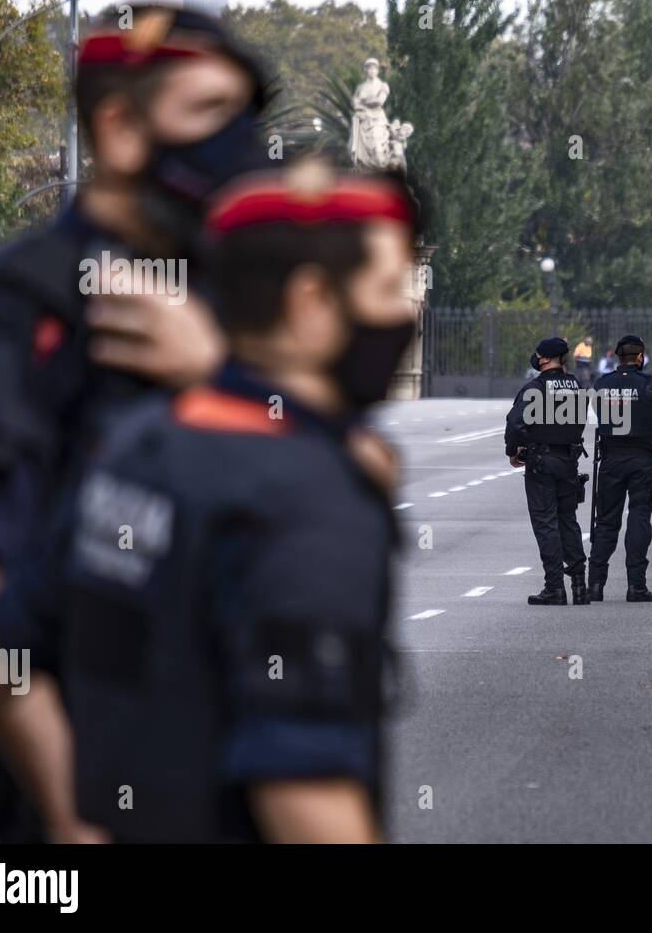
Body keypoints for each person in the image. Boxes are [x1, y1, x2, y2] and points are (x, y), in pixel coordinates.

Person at [0, 3, 270, 843]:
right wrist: (81, 819)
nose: (240, 148)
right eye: (207, 115)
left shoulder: (240, 304)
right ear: (116, 128)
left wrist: (214, 378)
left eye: (246, 119)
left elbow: (332, 478)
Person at [52, 164, 419, 842]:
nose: (403, 315)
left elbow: (17, 646)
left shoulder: (134, 446)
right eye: (390, 289)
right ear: (312, 302)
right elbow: (306, 795)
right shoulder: (303, 500)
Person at [587, 335, 652, 602]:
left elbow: (599, 413)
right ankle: (636, 585)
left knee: (605, 523)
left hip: (611, 460)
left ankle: (595, 585)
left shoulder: (601, 384)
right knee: (639, 518)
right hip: (642, 460)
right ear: (640, 357)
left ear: (616, 357)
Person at [505, 337, 589, 605]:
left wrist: (514, 451)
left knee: (546, 523)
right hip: (568, 461)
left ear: (543, 359)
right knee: (568, 520)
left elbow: (515, 424)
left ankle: (554, 586)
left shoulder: (535, 388)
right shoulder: (577, 386)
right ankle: (579, 585)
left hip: (541, 462)